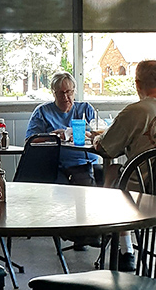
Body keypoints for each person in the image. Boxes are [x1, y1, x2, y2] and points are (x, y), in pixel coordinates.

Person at [92, 59, 156, 272]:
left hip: (143, 193)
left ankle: (125, 249)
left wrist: (96, 139)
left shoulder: (136, 111)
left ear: (138, 85)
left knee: (113, 171)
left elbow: (106, 149)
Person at [26, 71, 100, 186]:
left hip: (83, 163)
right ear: (53, 93)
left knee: (85, 193)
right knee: (58, 195)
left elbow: (98, 136)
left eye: (68, 92)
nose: (65, 97)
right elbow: (30, 140)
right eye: (60, 93)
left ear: (74, 91)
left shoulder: (86, 109)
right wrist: (54, 137)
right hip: (53, 164)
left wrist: (81, 134)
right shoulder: (43, 112)